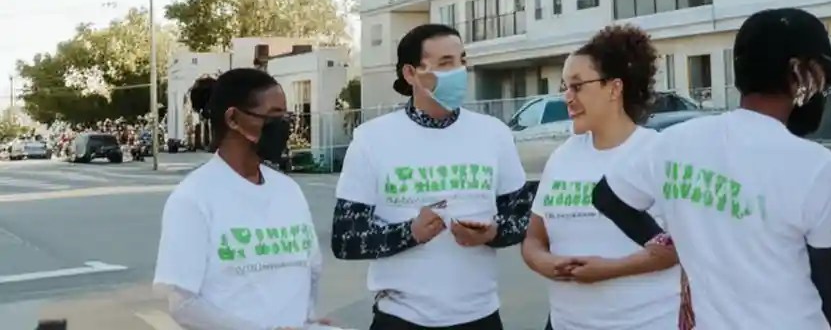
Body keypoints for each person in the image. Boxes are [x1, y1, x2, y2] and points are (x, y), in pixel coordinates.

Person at [593, 7, 831, 330]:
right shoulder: (816, 167)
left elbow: (607, 196)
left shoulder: (676, 142)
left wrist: (667, 244)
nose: (825, 89)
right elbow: (830, 291)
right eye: (824, 76)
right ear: (797, 74)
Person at [332, 23, 531, 330]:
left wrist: (492, 233)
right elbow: (345, 239)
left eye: (461, 61)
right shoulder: (372, 139)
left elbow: (524, 218)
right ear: (411, 73)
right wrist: (409, 232)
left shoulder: (494, 134)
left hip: (479, 316)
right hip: (401, 318)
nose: (458, 72)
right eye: (445, 64)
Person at [521, 25, 681, 330]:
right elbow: (534, 239)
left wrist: (610, 269)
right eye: (565, 87)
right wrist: (546, 263)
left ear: (614, 88)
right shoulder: (562, 157)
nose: (567, 97)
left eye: (577, 86)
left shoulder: (657, 154)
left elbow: (678, 247)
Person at [154, 69, 334, 330]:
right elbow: (183, 304)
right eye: (273, 116)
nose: (283, 125)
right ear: (234, 119)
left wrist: (308, 320)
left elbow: (310, 272)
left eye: (285, 115)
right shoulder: (193, 198)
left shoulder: (289, 191)